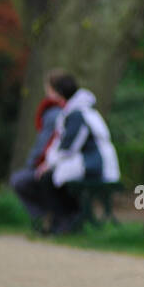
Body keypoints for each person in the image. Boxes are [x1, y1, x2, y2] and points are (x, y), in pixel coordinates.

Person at [38, 76, 121, 233]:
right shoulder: (76, 111)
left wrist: (49, 164)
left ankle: (66, 221)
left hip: (95, 165)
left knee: (49, 177)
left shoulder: (77, 114)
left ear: (58, 92)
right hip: (89, 163)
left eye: (49, 91)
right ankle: (65, 220)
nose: (47, 95)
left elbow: (68, 147)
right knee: (50, 177)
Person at [10, 70, 71, 230]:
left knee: (19, 180)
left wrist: (33, 164)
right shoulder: (71, 109)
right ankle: (52, 216)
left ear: (53, 89)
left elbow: (44, 144)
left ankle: (47, 216)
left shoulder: (53, 113)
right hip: (67, 164)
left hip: (56, 165)